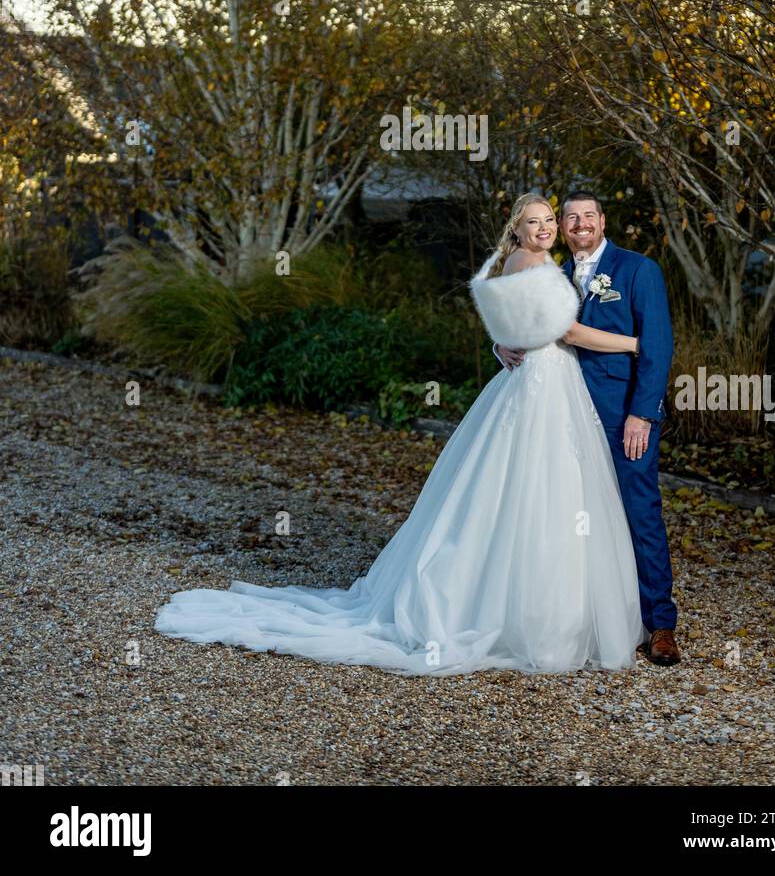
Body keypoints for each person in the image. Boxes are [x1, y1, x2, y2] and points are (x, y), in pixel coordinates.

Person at [154, 193, 647, 674]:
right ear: (515, 228)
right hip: (544, 382)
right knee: (537, 488)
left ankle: (538, 607)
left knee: (534, 490)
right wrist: (634, 344)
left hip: (546, 381)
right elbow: (569, 333)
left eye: (547, 221)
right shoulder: (530, 264)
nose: (544, 229)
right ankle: (525, 616)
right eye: (534, 222)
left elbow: (510, 323)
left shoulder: (531, 263)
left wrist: (502, 344)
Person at [495, 191, 680, 666]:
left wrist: (643, 413)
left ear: (602, 221)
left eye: (586, 216)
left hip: (623, 416)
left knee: (639, 511)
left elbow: (656, 346)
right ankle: (594, 619)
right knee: (573, 518)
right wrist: (500, 345)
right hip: (562, 415)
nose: (577, 224)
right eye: (569, 217)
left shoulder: (639, 270)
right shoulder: (550, 271)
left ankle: (660, 624)